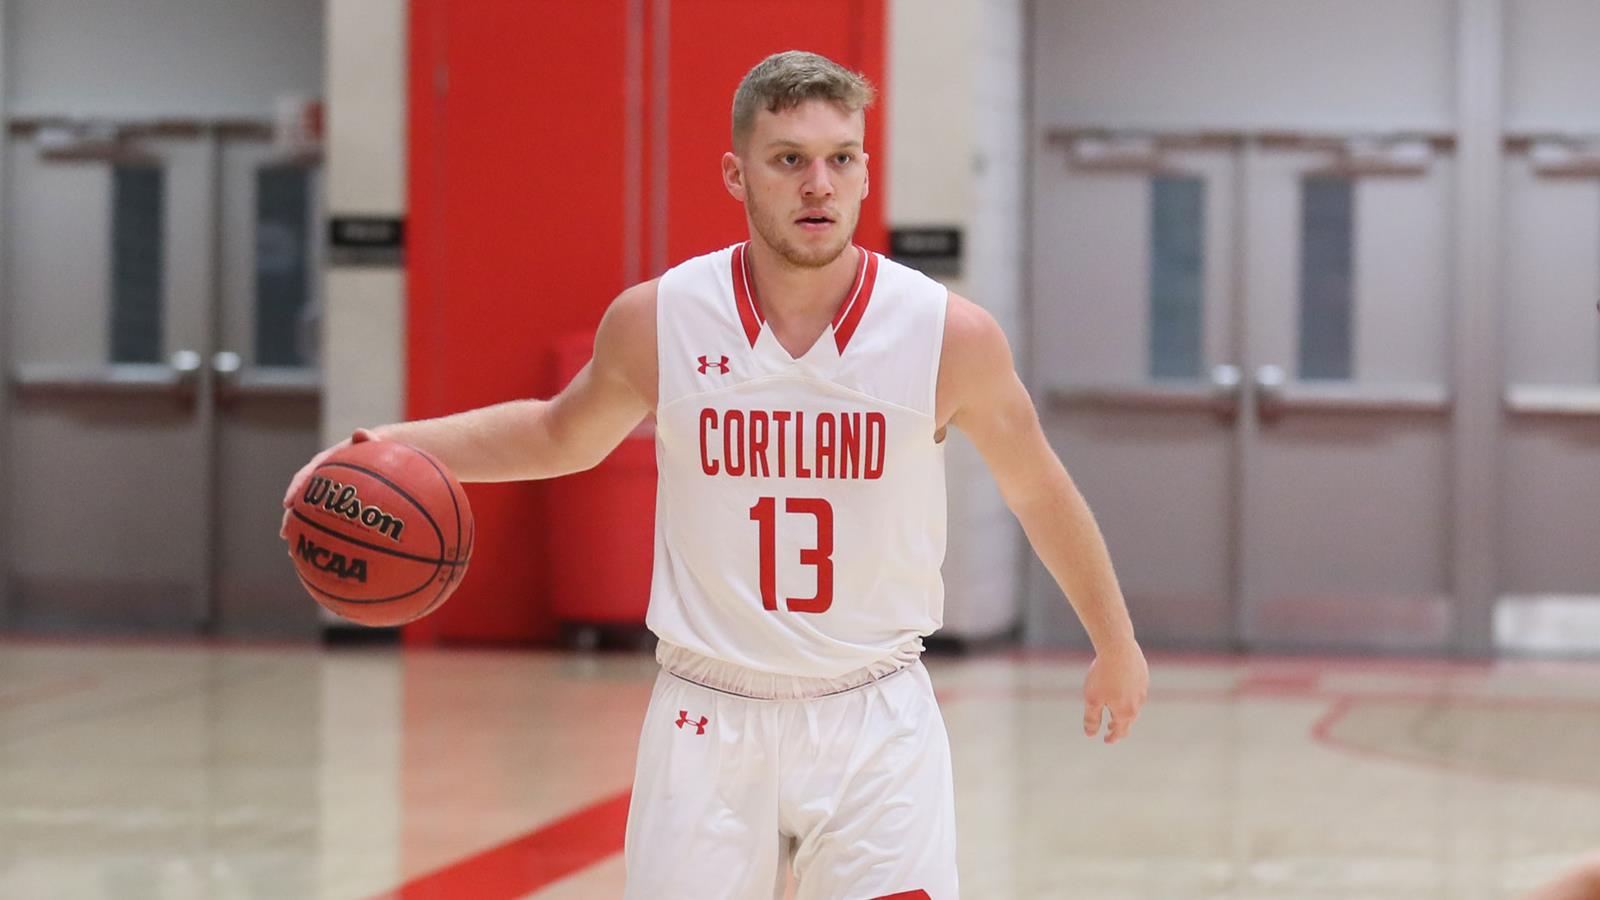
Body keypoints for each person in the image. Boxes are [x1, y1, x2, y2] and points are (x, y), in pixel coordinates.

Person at [283, 50, 1147, 900]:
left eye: (840, 159)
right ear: (736, 176)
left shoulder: (944, 335)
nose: (819, 184)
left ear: (864, 171)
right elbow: (557, 434)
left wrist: (1115, 642)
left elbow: (1035, 485)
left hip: (875, 711)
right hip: (706, 713)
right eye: (789, 161)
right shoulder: (662, 320)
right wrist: (389, 445)